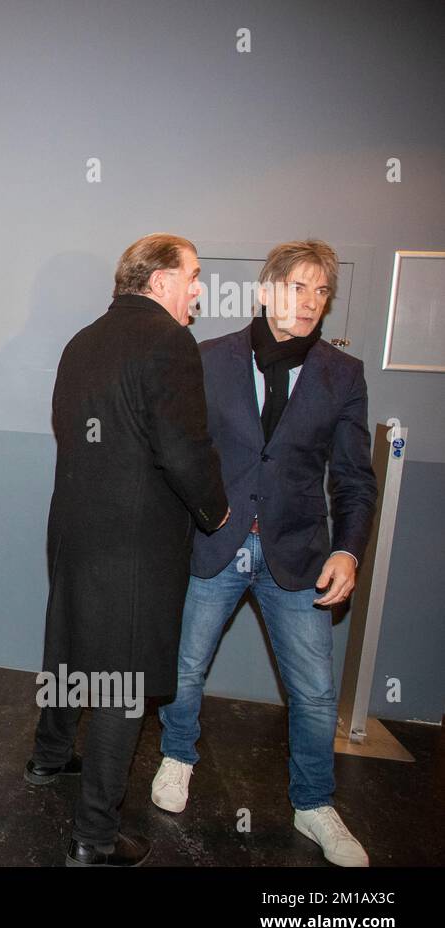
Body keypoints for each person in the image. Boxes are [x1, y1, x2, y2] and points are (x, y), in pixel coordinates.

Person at [152, 240, 377, 867]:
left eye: (320, 292)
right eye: (296, 288)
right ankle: (177, 758)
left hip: (299, 554)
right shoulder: (209, 359)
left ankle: (313, 804)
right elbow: (180, 452)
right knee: (186, 667)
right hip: (215, 543)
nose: (307, 303)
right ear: (266, 291)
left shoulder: (342, 375)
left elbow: (355, 479)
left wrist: (349, 552)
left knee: (313, 692)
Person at [28, 233, 229, 867]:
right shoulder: (171, 343)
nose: (198, 288)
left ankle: (49, 757)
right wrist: (215, 510)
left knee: (68, 645)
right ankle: (93, 836)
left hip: (74, 528)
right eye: (193, 275)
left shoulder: (81, 341)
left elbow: (73, 433)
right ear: (162, 279)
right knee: (123, 681)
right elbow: (183, 448)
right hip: (135, 544)